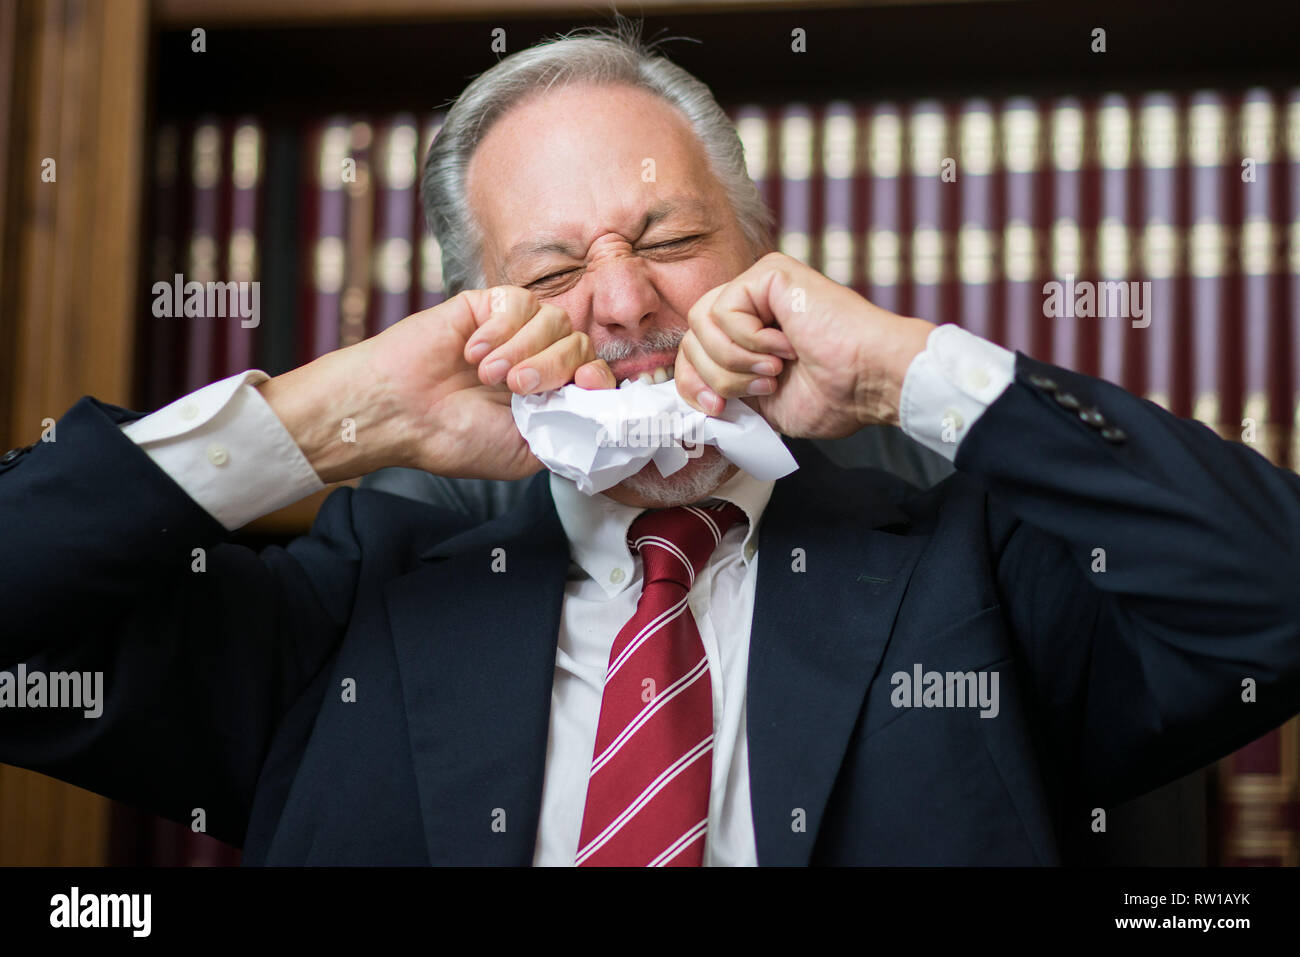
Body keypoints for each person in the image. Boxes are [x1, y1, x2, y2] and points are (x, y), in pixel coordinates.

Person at [2, 23, 1298, 866]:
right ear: (473, 310)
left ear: (763, 253)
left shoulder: (976, 562)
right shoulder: (351, 599)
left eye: (672, 241)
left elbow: (1275, 601)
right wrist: (332, 420)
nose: (624, 304)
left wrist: (904, 374)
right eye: (554, 268)